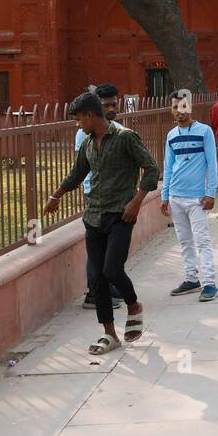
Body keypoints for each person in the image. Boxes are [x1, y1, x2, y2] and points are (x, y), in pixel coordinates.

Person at [44, 91, 159, 355]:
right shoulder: (86, 143)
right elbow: (77, 174)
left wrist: (137, 201)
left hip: (120, 214)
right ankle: (109, 334)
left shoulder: (125, 138)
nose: (77, 124)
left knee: (112, 270)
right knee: (97, 279)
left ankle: (133, 305)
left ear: (90, 115)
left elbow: (151, 168)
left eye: (78, 119)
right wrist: (56, 196)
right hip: (93, 217)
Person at [161, 90, 218, 302]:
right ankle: (191, 278)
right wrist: (165, 196)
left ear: (190, 107)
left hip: (197, 199)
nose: (179, 111)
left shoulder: (204, 132)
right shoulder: (171, 136)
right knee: (184, 241)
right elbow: (168, 167)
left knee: (202, 241)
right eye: (175, 107)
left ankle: (210, 282)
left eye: (183, 107)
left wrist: (210, 193)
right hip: (176, 197)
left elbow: (212, 164)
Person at [75, 83, 124, 310]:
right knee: (96, 247)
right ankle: (94, 292)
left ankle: (108, 286)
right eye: (106, 105)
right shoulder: (84, 131)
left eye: (114, 103)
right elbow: (85, 167)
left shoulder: (116, 128)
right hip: (95, 195)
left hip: (114, 196)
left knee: (110, 247)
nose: (112, 108)